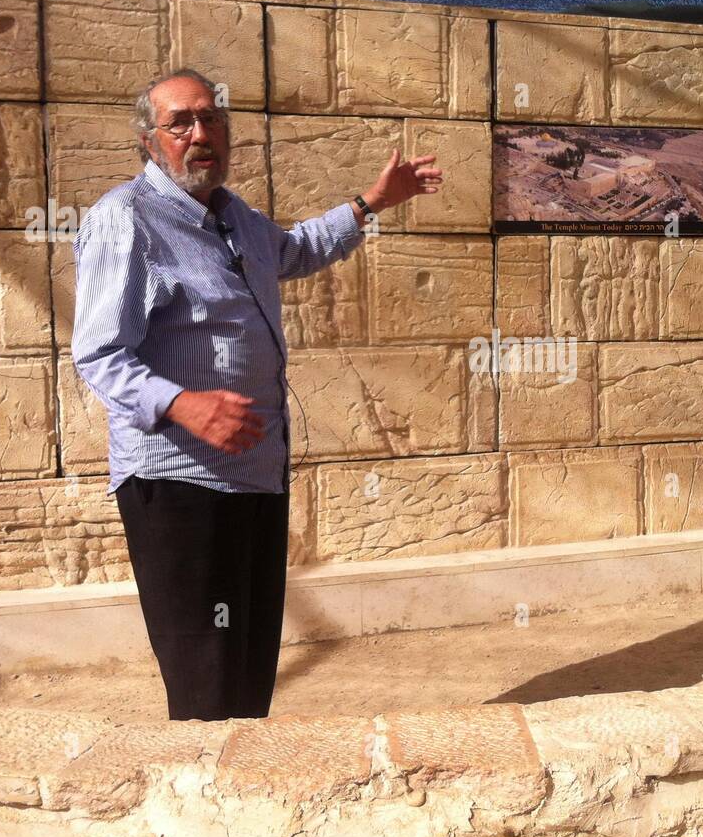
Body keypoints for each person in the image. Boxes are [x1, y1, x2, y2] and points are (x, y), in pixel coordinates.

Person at [71, 67, 441, 721]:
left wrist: (371, 202)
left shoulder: (234, 216)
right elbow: (98, 353)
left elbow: (295, 250)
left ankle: (247, 803)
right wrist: (184, 404)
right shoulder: (126, 220)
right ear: (149, 142)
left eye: (211, 118)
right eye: (180, 122)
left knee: (248, 675)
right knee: (205, 681)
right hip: (180, 483)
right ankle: (203, 812)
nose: (200, 133)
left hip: (254, 475)